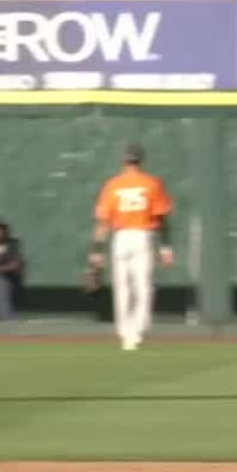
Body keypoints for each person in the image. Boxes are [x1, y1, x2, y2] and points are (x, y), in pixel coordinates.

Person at [88, 142, 173, 351]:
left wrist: (97, 250)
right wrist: (166, 247)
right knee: (143, 286)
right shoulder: (152, 183)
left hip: (120, 237)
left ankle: (125, 334)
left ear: (123, 160)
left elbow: (103, 222)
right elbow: (161, 217)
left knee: (122, 287)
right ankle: (137, 331)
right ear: (141, 160)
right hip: (142, 235)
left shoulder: (113, 184)